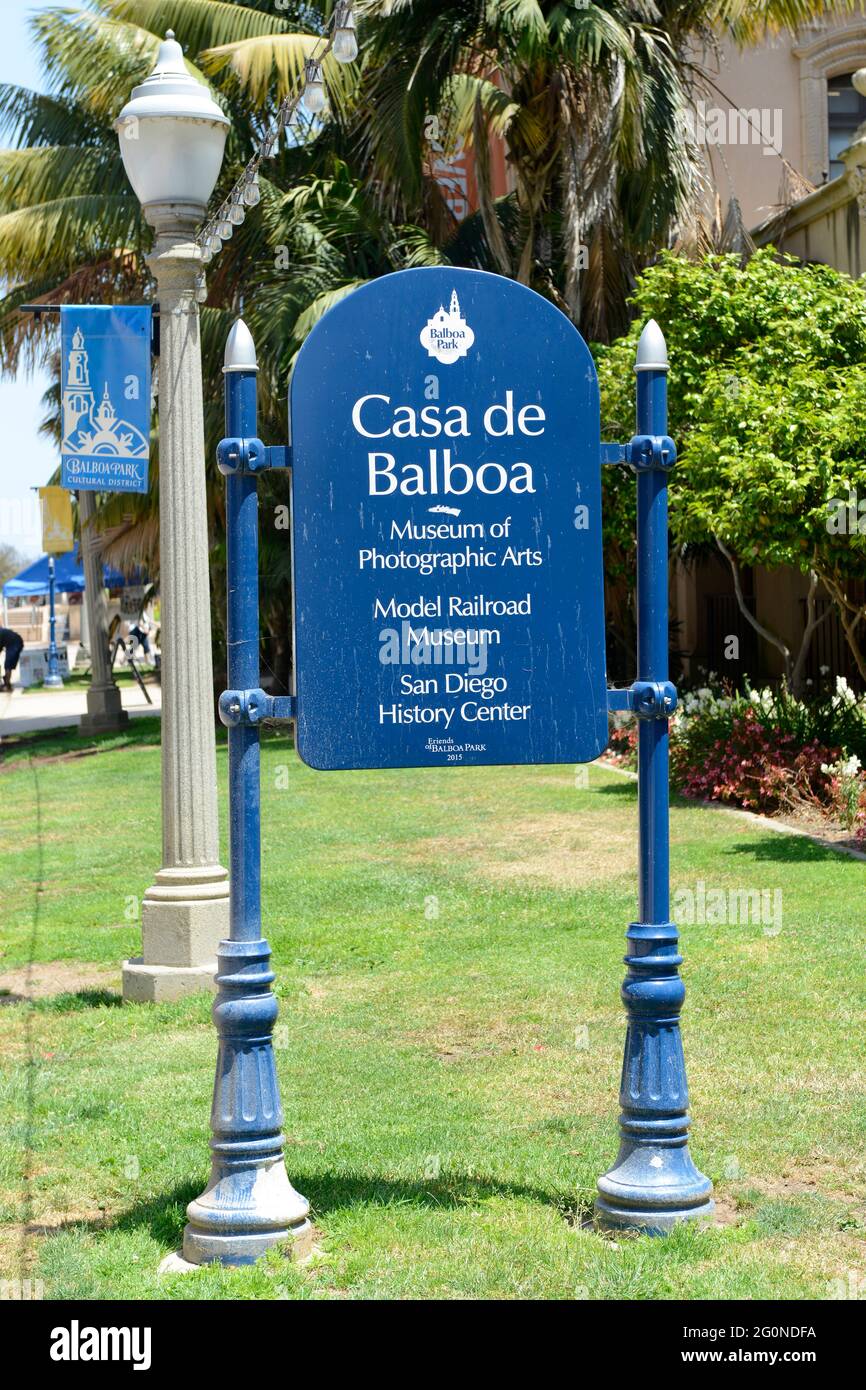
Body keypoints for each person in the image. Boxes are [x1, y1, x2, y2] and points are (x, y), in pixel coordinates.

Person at [0, 625, 24, 691]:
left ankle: (7, 685)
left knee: (8, 665)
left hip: (15, 644)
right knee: (8, 665)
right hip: (15, 643)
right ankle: (7, 682)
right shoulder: (2, 631)